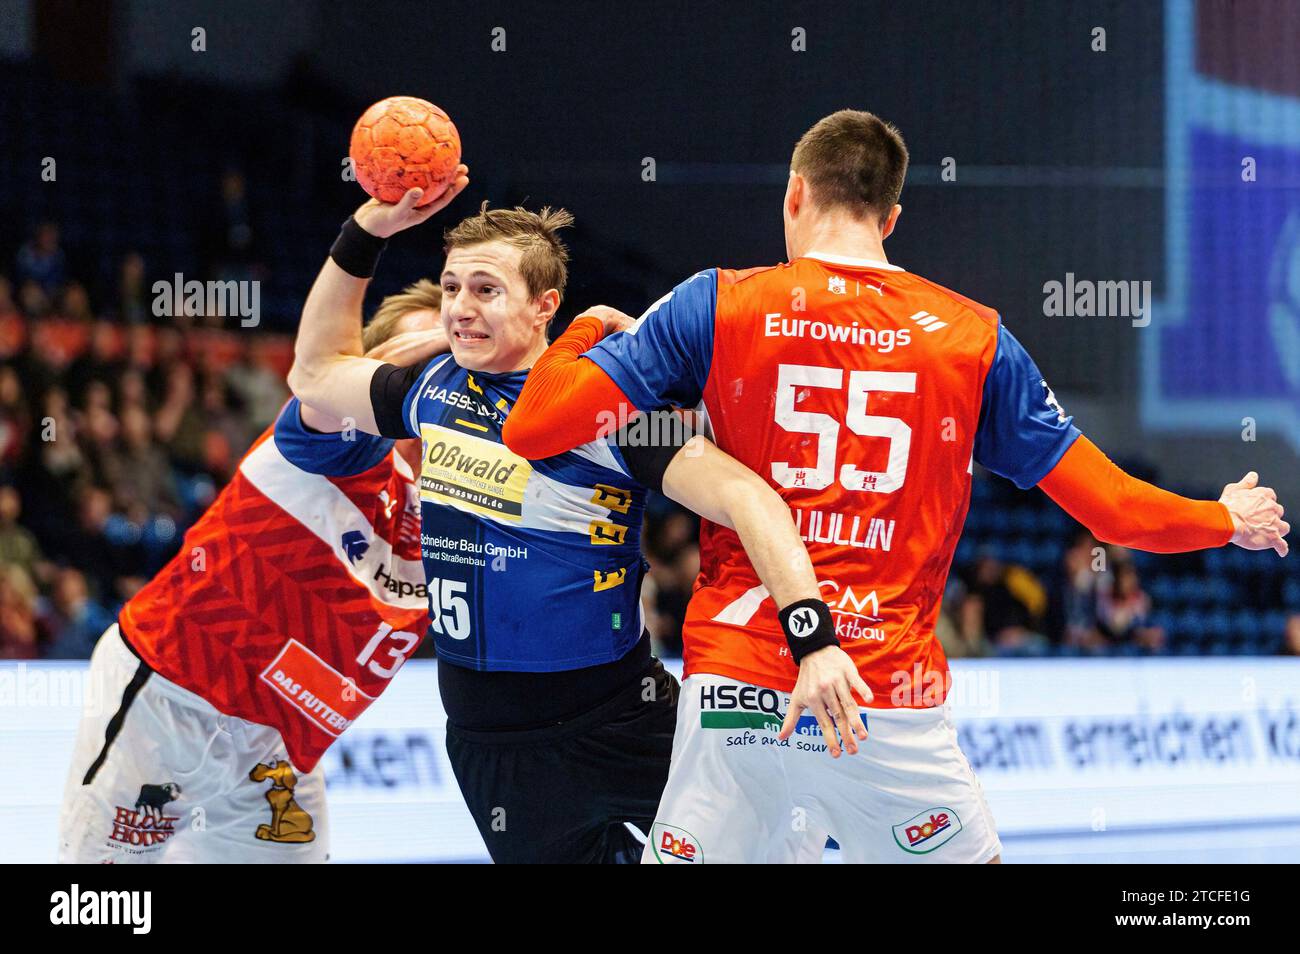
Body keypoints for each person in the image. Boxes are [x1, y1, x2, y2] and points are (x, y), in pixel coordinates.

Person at [501, 109, 1291, 864]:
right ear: (892, 217)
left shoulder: (719, 301)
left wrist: (583, 332)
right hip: (883, 692)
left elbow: (536, 429)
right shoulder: (972, 338)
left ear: (795, 193)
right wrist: (1223, 516)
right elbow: (1115, 510)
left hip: (738, 679)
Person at [287, 180, 844, 863]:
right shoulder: (430, 392)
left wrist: (812, 639)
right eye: (451, 287)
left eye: (485, 290)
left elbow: (748, 498)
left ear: (545, 305)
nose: (459, 308)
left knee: (775, 848)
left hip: (624, 720)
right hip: (491, 743)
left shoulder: (600, 411)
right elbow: (314, 375)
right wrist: (366, 230)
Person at [57, 280, 448, 863]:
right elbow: (330, 385)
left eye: (453, 367)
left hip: (276, 754)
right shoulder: (336, 442)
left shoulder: (465, 508)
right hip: (171, 703)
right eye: (426, 359)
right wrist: (467, 334)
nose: (441, 378)